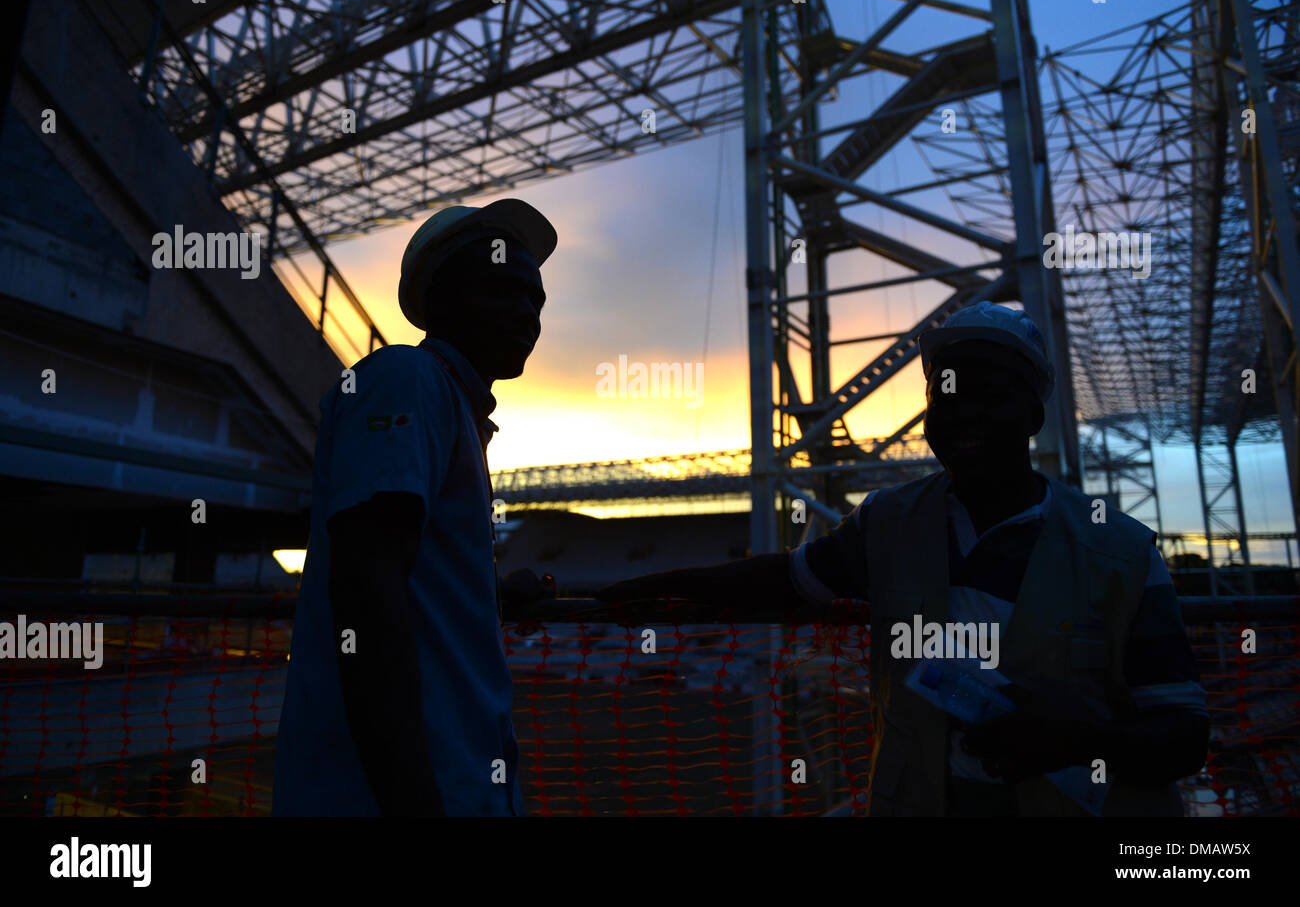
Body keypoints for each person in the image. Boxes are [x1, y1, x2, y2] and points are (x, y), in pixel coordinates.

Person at [583, 301, 1209, 816]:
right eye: (946, 393)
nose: (963, 412)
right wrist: (626, 591)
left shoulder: (1121, 552)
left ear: (1034, 414)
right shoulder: (888, 523)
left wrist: (1075, 741)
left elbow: (1182, 737)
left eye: (991, 394)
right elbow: (781, 581)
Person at [273, 199, 555, 816]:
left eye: (535, 300)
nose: (528, 314)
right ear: (441, 298)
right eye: (504, 290)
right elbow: (369, 592)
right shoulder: (408, 378)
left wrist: (488, 596)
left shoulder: (452, 406)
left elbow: (402, 574)